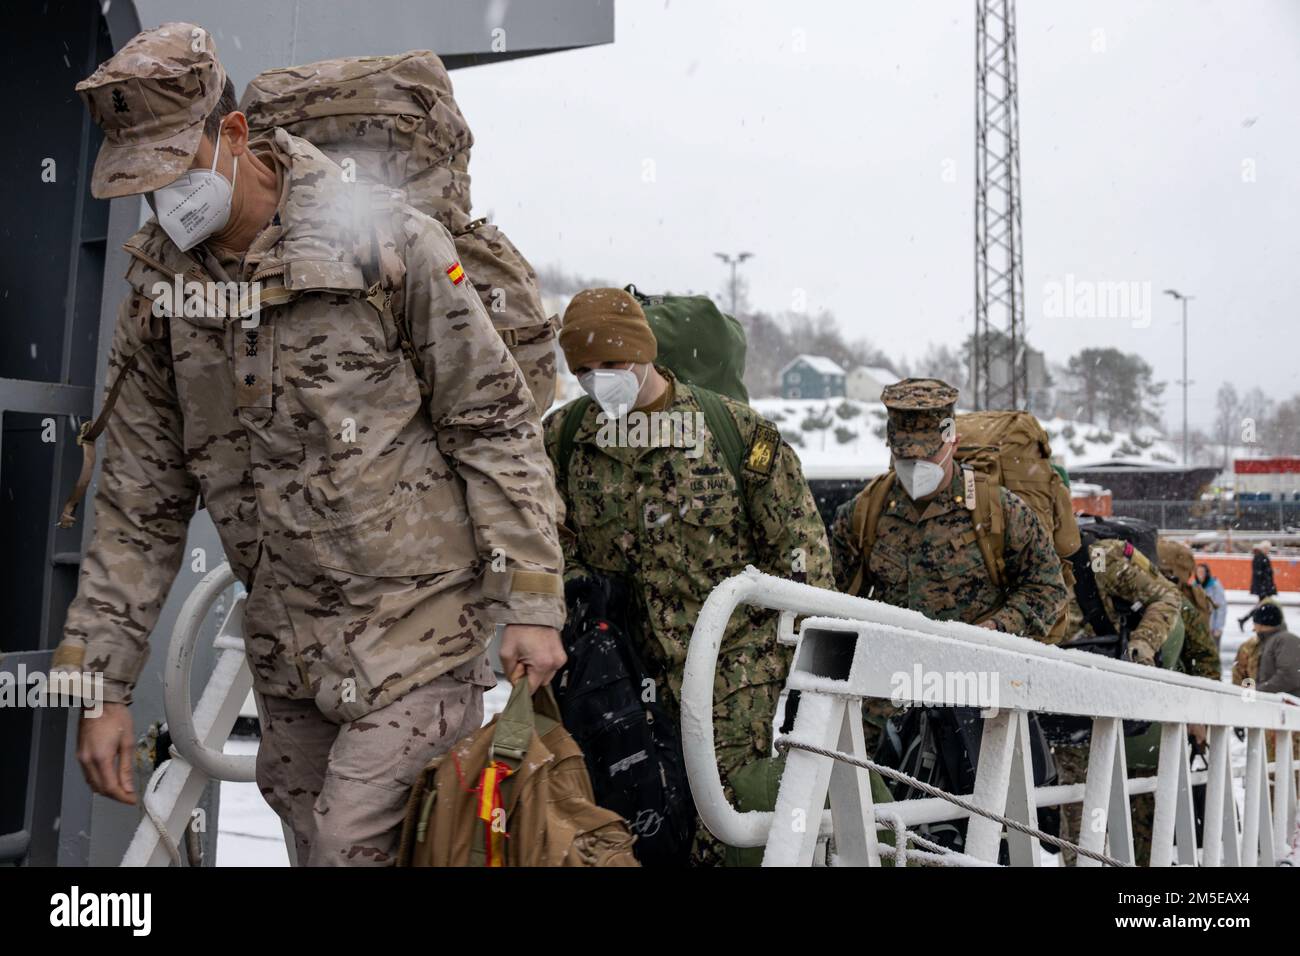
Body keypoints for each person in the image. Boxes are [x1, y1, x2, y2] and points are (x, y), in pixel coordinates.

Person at [53, 23, 567, 866]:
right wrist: (99, 684)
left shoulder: (390, 246)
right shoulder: (161, 288)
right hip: (289, 652)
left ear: (235, 135)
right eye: (141, 185)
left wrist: (534, 602)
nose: (164, 202)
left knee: (344, 849)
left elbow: (493, 421)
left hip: (419, 634)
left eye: (176, 173)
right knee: (316, 848)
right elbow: (138, 501)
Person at [543, 287, 834, 865]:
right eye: (584, 370)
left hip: (730, 664)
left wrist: (783, 671)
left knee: (713, 814)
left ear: (645, 352)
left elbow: (803, 562)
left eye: (612, 364)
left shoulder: (737, 435)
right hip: (617, 667)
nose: (600, 381)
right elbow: (540, 539)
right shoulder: (564, 439)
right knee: (622, 814)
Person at [829, 378, 1068, 755]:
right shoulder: (866, 511)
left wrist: (995, 629)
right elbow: (827, 595)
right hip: (885, 709)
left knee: (980, 811)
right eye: (904, 457)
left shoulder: (996, 509)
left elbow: (1048, 588)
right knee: (877, 809)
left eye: (925, 455)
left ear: (950, 440)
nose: (915, 466)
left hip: (977, 708)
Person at [1053, 537, 1184, 865]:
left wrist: (1142, 644)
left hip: (1096, 700)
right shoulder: (1016, 550)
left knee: (1095, 807)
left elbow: (1167, 596)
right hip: (1041, 698)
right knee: (1071, 810)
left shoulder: (1099, 557)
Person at [1250, 603, 1300, 698]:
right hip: (1277, 703)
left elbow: (1288, 675)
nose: (1253, 628)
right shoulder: (1269, 640)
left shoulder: (1285, 640)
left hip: (1290, 706)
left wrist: (1260, 691)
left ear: (1261, 624)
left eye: (1255, 624)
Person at [1239, 541, 1279, 629]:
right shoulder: (1259, 557)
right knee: (1262, 606)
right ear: (1263, 548)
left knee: (1262, 606)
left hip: (1264, 587)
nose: (1268, 550)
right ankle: (1253, 621)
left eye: (1268, 549)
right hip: (1262, 587)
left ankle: (1250, 621)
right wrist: (1270, 572)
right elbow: (1258, 573)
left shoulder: (1262, 557)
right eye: (1267, 548)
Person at [1195, 562, 1227, 648]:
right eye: (1198, 572)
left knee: (1213, 654)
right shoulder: (1195, 587)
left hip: (1212, 628)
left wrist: (1218, 628)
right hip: (1200, 629)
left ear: (1207, 573)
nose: (1200, 575)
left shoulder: (1215, 586)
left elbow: (1221, 608)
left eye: (1202, 572)